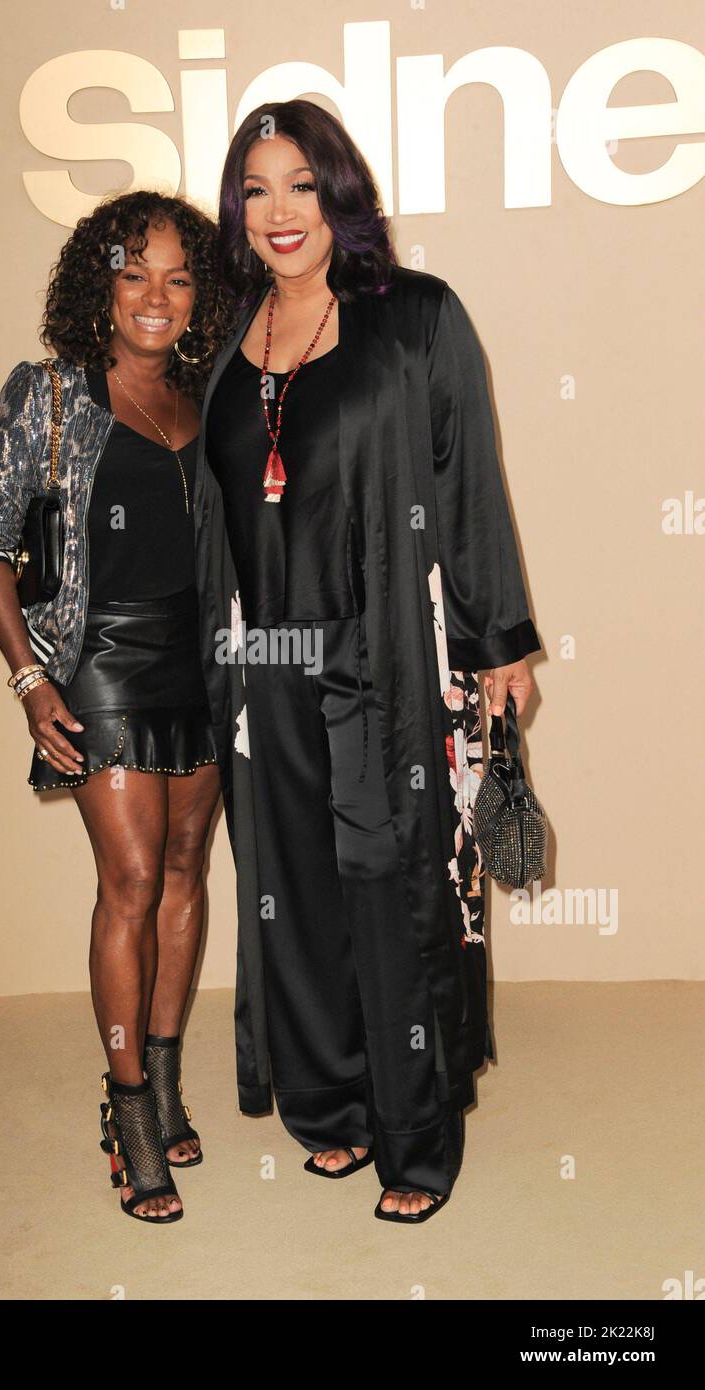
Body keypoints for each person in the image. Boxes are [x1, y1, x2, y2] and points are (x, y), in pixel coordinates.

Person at [193, 100, 542, 1223]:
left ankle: (416, 1137)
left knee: (390, 880)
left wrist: (497, 643)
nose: (279, 210)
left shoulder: (415, 317)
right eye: (256, 189)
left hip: (381, 650)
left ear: (338, 192)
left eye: (301, 183)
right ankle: (332, 1105)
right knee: (291, 885)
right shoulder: (228, 336)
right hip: (264, 660)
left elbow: (467, 480)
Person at [0, 191, 236, 1223]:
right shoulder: (49, 393)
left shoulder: (207, 393)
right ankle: (128, 1113)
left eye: (177, 278)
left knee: (185, 870)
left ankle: (163, 1078)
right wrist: (31, 679)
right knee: (130, 878)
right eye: (134, 274)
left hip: (201, 662)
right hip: (101, 659)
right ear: (99, 286)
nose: (156, 296)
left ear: (198, 296)